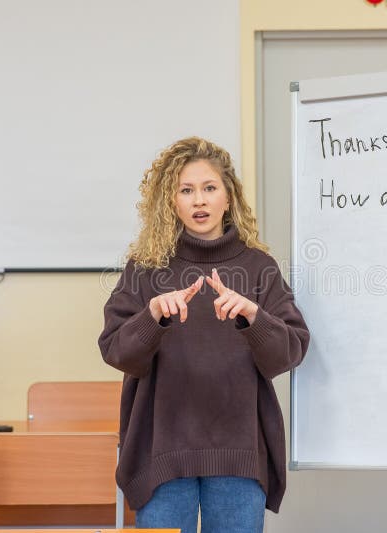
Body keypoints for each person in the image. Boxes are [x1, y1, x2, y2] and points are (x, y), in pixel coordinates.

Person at [98, 137, 310, 533]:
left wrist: (253, 316)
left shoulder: (259, 267)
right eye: (187, 190)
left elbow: (289, 353)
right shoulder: (145, 269)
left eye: (209, 188)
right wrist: (153, 316)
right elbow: (116, 350)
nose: (199, 201)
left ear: (228, 198)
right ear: (171, 202)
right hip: (162, 454)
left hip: (239, 454)